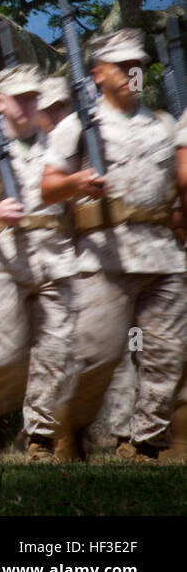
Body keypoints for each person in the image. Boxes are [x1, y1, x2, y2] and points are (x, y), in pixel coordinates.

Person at [41, 29, 187, 462]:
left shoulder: (166, 125)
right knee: (97, 356)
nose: (132, 73)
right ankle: (69, 428)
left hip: (163, 253)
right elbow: (48, 187)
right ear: (98, 74)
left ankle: (145, 444)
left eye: (138, 66)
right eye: (122, 67)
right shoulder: (79, 126)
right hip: (104, 256)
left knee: (166, 354)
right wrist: (76, 181)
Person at [0, 65, 76, 462]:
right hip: (3, 264)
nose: (26, 105)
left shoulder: (62, 146)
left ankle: (40, 439)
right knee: (5, 359)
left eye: (32, 97)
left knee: (55, 353)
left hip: (55, 259)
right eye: (18, 98)